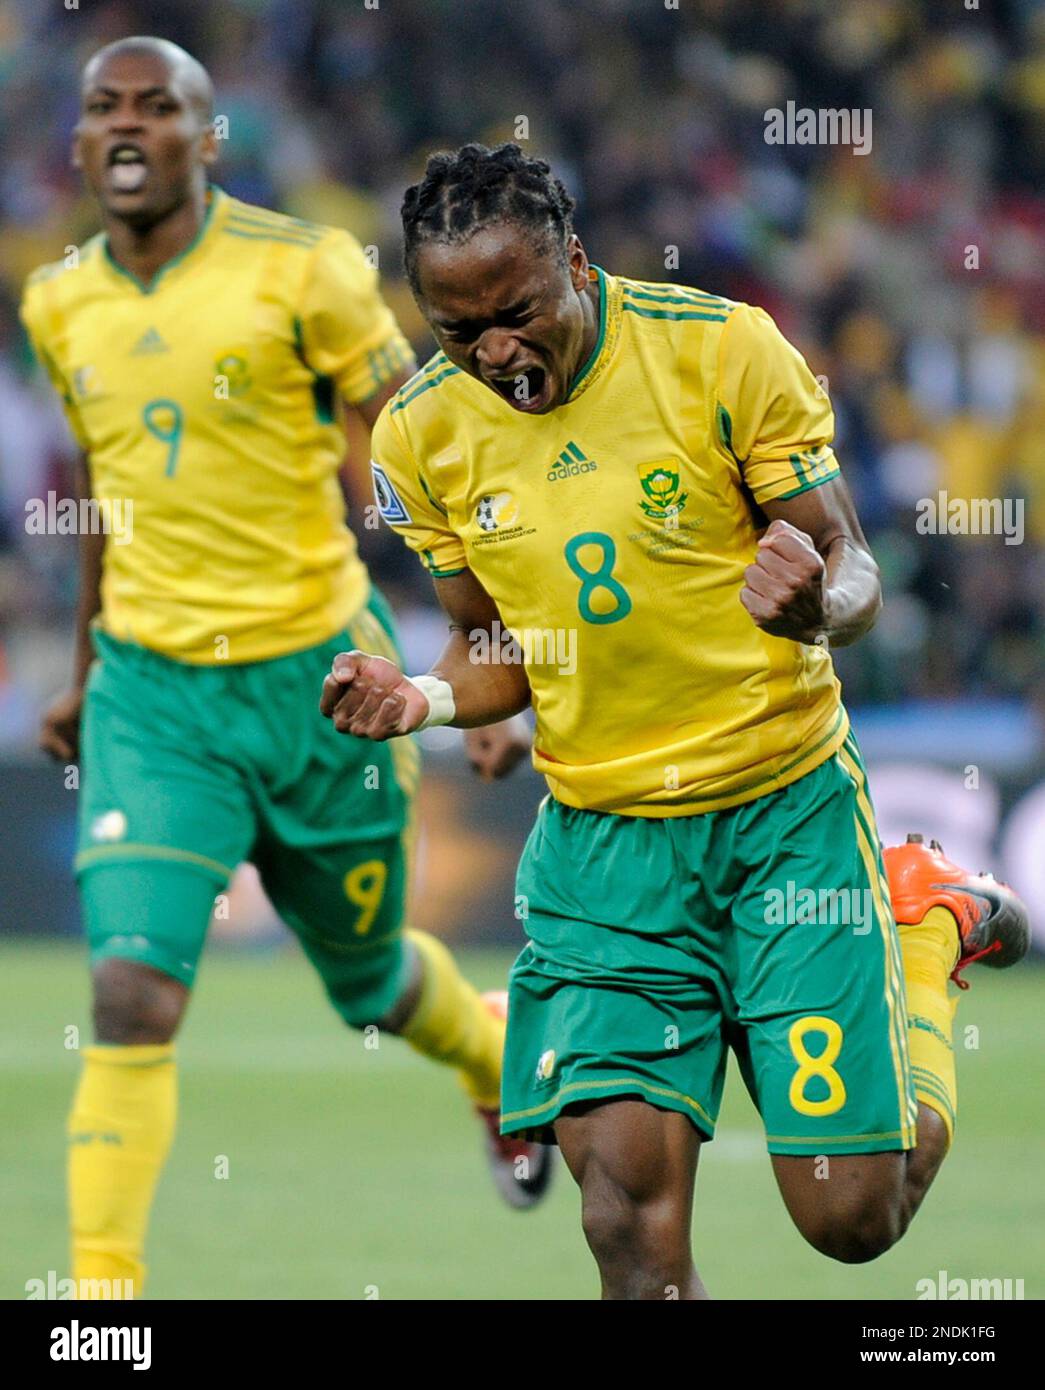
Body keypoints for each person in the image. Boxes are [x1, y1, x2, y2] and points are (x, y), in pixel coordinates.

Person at [320, 142, 1029, 1299]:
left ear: (579, 266)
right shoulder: (418, 433)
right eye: (459, 331)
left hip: (780, 821)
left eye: (517, 312)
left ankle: (925, 928)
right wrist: (426, 696)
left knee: (852, 1218)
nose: (496, 352)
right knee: (624, 1228)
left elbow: (851, 569)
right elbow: (495, 645)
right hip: (605, 854)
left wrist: (817, 606)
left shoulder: (720, 350)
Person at [23, 54, 549, 1300]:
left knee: (367, 983)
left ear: (208, 138)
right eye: (106, 106)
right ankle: (102, 1305)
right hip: (154, 695)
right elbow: (105, 484)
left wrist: (483, 643)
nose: (130, 124)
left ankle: (488, 1058)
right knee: (131, 991)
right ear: (84, 141)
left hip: (323, 681)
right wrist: (86, 657)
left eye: (159, 106)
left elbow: (422, 435)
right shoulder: (58, 302)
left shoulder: (302, 265)